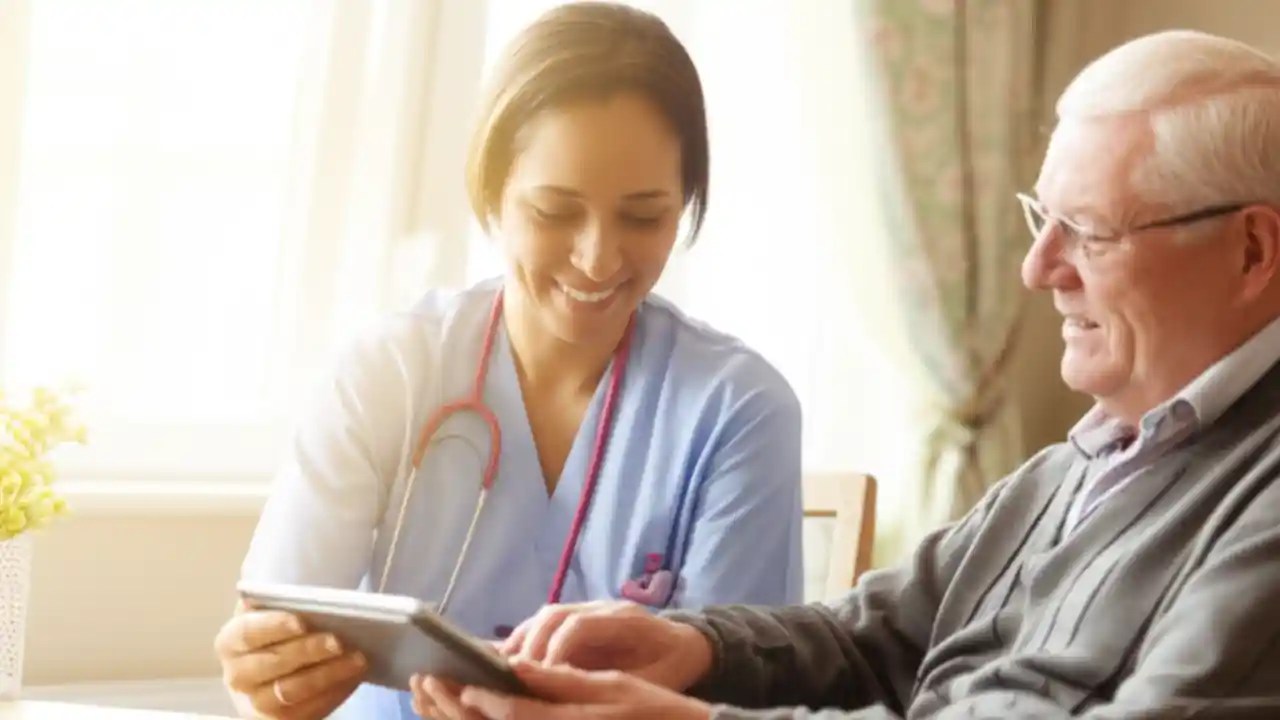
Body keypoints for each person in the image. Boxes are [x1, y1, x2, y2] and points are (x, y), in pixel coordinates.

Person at [414, 28, 1280, 720]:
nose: (1037, 269)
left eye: (1089, 231)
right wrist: (694, 650)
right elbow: (874, 636)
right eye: (1041, 219)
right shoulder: (1076, 465)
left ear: (1251, 250)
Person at [213, 3, 805, 718]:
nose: (598, 257)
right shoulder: (389, 371)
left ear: (684, 205)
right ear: (492, 190)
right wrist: (268, 684)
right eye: (556, 212)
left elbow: (732, 698)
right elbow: (270, 646)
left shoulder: (736, 411)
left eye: (643, 216)